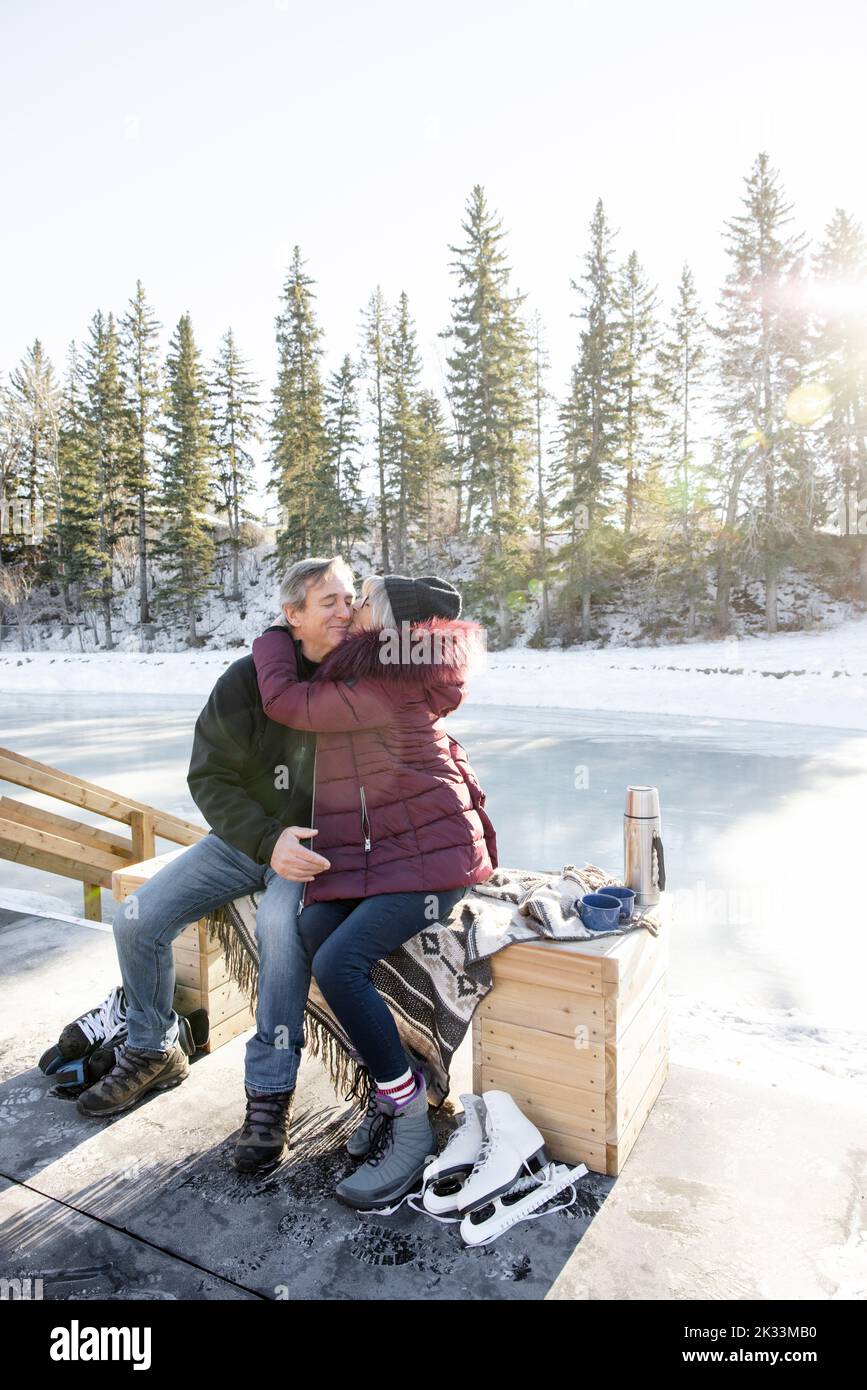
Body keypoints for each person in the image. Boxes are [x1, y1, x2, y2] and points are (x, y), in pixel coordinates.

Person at [76, 557, 355, 1178]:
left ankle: (268, 1094)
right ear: (294, 615)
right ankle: (152, 1049)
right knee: (134, 917)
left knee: (280, 931)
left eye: (349, 599)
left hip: (313, 854)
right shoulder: (244, 681)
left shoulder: (359, 683)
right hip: (243, 841)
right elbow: (208, 776)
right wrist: (264, 837)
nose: (345, 610)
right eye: (330, 601)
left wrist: (302, 846)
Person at [251, 572, 497, 1209]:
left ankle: (410, 1118)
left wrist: (275, 637)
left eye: (364, 600)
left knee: (340, 961)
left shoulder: (385, 678)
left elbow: (287, 702)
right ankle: (390, 1085)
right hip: (402, 858)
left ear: (389, 625)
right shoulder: (380, 669)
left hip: (435, 866)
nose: (353, 607)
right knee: (309, 933)